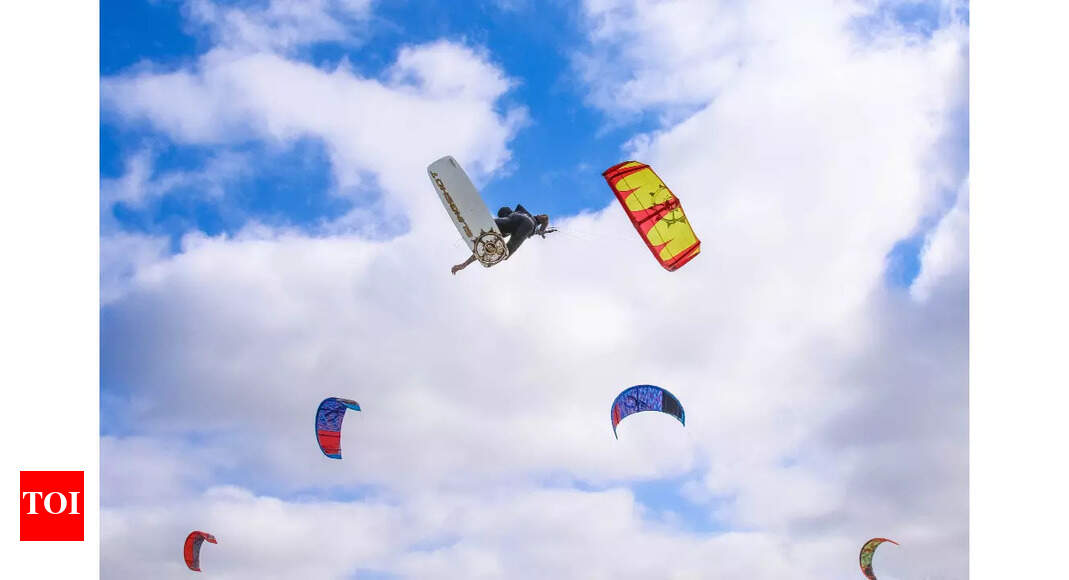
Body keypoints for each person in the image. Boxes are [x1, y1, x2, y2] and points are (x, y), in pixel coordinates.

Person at [451, 205, 552, 274]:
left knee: (499, 249)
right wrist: (542, 230)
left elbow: (483, 249)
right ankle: (504, 253)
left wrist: (541, 229)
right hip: (527, 226)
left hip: (519, 225)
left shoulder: (510, 217)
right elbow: (545, 218)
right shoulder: (521, 215)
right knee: (503, 252)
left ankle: (504, 253)